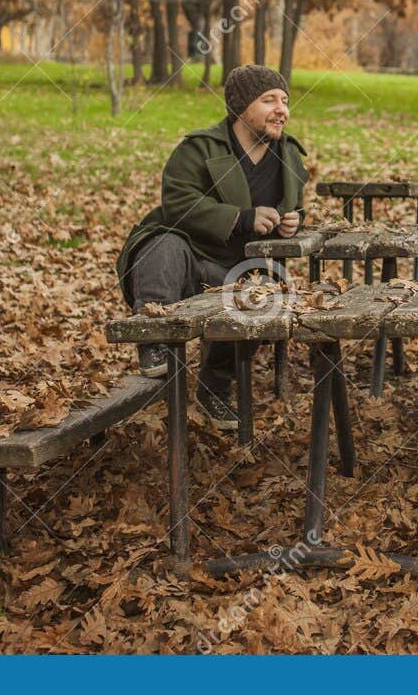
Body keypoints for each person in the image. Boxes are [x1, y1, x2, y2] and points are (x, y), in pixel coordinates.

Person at [115, 65, 307, 430]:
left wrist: (294, 219)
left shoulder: (289, 156)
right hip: (185, 256)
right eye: (269, 100)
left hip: (234, 270)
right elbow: (178, 203)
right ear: (240, 107)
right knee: (163, 244)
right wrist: (240, 217)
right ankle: (151, 335)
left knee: (258, 295)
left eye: (284, 100)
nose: (282, 109)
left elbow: (295, 206)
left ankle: (214, 390)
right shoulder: (199, 148)